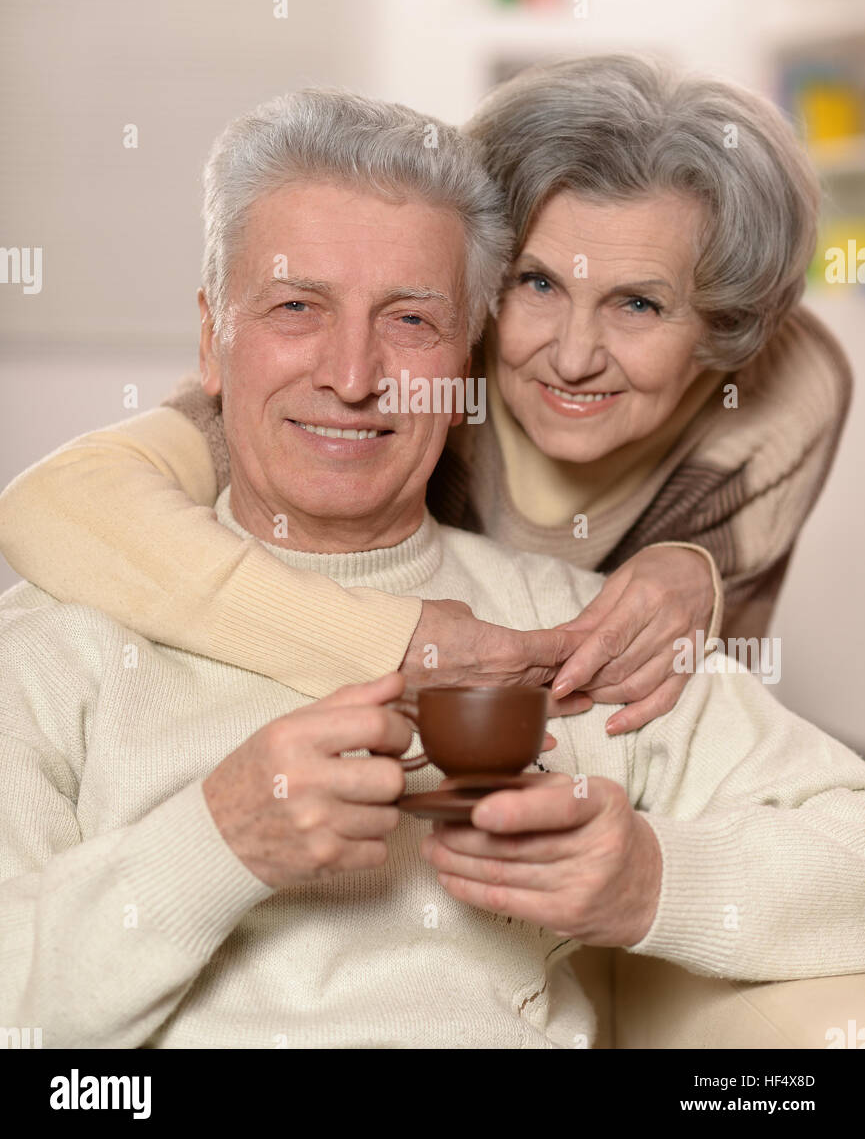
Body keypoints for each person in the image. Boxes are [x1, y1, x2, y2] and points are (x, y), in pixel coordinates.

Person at [1, 89, 863, 1050]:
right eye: (295, 307)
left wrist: (655, 879)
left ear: (467, 354)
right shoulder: (58, 638)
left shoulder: (586, 639)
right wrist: (217, 842)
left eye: (411, 321)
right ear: (213, 339)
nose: (353, 374)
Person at [0, 58, 849, 734]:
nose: (576, 356)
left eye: (638, 303)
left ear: (721, 324)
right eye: (537, 284)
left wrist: (697, 577)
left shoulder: (786, 392)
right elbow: (55, 510)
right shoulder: (396, 356)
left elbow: (691, 714)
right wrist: (396, 645)